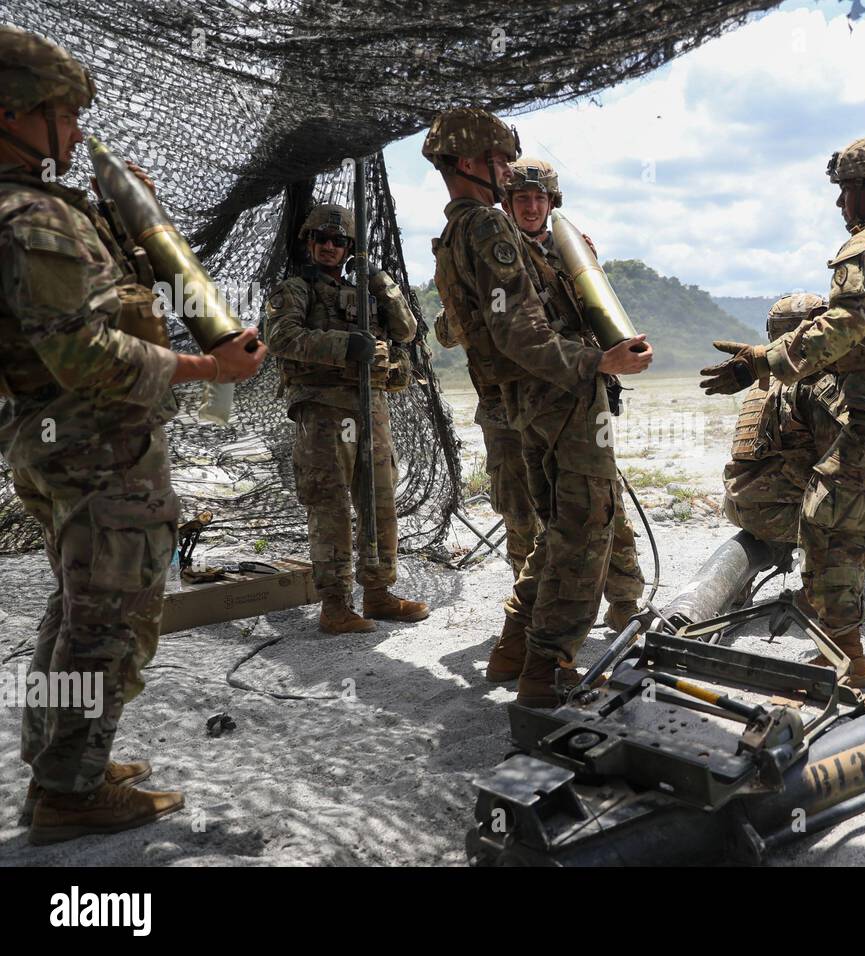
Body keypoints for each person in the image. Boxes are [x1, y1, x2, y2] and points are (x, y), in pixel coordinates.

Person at [0, 26, 266, 842]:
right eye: (66, 114)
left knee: (76, 610)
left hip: (68, 445)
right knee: (109, 618)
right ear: (19, 112)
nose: (77, 132)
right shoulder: (32, 217)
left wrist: (125, 220)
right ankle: (71, 795)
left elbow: (115, 304)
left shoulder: (46, 208)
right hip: (95, 447)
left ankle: (59, 764)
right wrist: (206, 373)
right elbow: (81, 350)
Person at [701, 135, 865, 675]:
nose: (840, 203)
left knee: (826, 533)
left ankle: (843, 664)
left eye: (846, 189)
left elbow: (843, 325)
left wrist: (760, 363)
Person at [426, 108, 652, 706]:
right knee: (585, 531)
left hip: (529, 403)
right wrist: (598, 363)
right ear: (470, 163)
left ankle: (513, 643)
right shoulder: (487, 230)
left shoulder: (455, 234)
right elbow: (519, 333)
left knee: (560, 530)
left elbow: (515, 317)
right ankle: (547, 673)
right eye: (501, 162)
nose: (508, 175)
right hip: (560, 399)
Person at [265, 203, 429, 634]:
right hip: (322, 408)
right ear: (309, 241)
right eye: (322, 239)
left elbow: (407, 330)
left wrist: (378, 279)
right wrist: (344, 346)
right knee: (330, 503)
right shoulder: (295, 289)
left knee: (379, 501)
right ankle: (335, 603)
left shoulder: (366, 291)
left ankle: (377, 593)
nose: (330, 247)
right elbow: (281, 337)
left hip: (370, 406)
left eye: (339, 242)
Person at [502, 156, 644, 632]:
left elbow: (595, 316)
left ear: (552, 203)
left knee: (601, 501)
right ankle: (532, 610)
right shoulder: (495, 255)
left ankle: (623, 597)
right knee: (535, 507)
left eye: (540, 198)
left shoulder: (565, 252)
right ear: (508, 202)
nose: (531, 206)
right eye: (522, 198)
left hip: (579, 392)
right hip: (525, 401)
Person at [722, 293, 827, 547]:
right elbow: (836, 461)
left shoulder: (763, 383)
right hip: (780, 514)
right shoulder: (813, 384)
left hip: (738, 505)